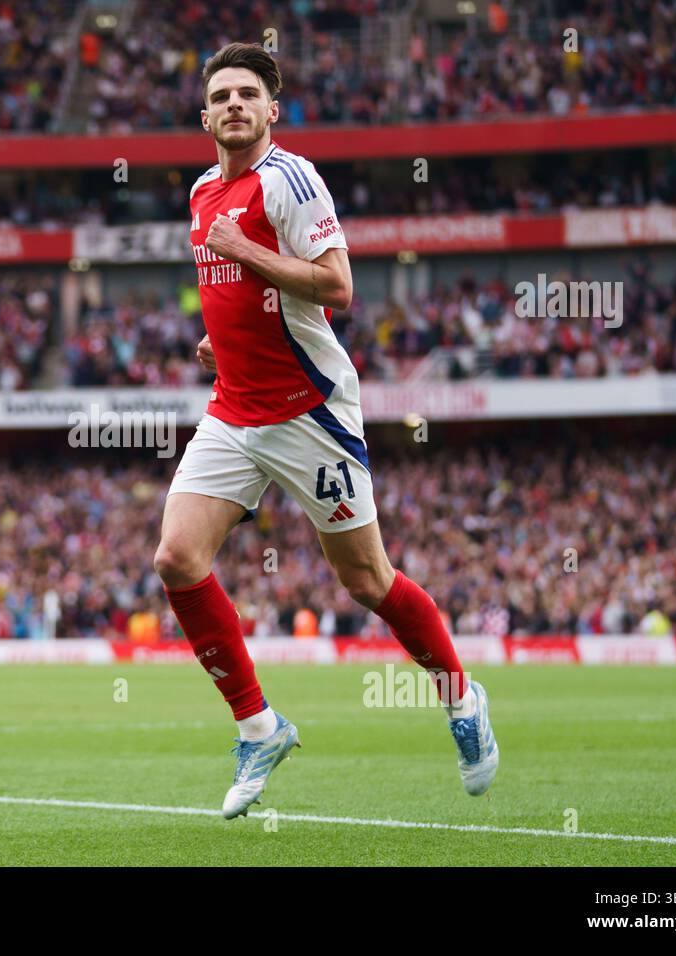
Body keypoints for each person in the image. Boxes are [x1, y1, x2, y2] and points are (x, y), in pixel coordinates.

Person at [154, 42, 498, 819]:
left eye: (249, 94)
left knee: (366, 581)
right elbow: (240, 295)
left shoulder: (291, 180)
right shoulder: (203, 190)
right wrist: (223, 338)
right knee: (176, 559)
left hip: (309, 411)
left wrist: (246, 251)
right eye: (222, 96)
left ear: (272, 110)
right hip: (234, 406)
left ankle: (460, 696)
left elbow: (337, 285)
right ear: (204, 115)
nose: (235, 105)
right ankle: (259, 727)